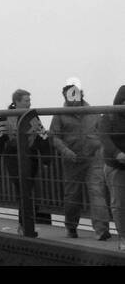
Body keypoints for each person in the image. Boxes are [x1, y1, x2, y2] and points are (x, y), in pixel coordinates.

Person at [48, 79, 106, 238]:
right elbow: (54, 137)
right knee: (72, 195)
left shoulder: (93, 112)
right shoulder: (59, 115)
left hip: (94, 158)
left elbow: (103, 132)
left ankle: (101, 230)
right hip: (71, 160)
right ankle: (71, 227)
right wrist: (66, 152)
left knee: (97, 192)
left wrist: (100, 147)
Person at [0, 88, 50, 234]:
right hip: (13, 158)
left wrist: (46, 158)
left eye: (29, 100)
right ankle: (25, 225)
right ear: (16, 102)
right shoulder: (5, 118)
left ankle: (24, 224)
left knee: (30, 191)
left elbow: (42, 137)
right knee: (23, 189)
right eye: (26, 101)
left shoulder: (32, 117)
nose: (29, 104)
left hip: (31, 158)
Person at [98, 84, 125, 250]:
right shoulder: (108, 116)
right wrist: (117, 154)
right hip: (116, 165)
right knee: (119, 204)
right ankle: (123, 238)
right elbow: (104, 137)